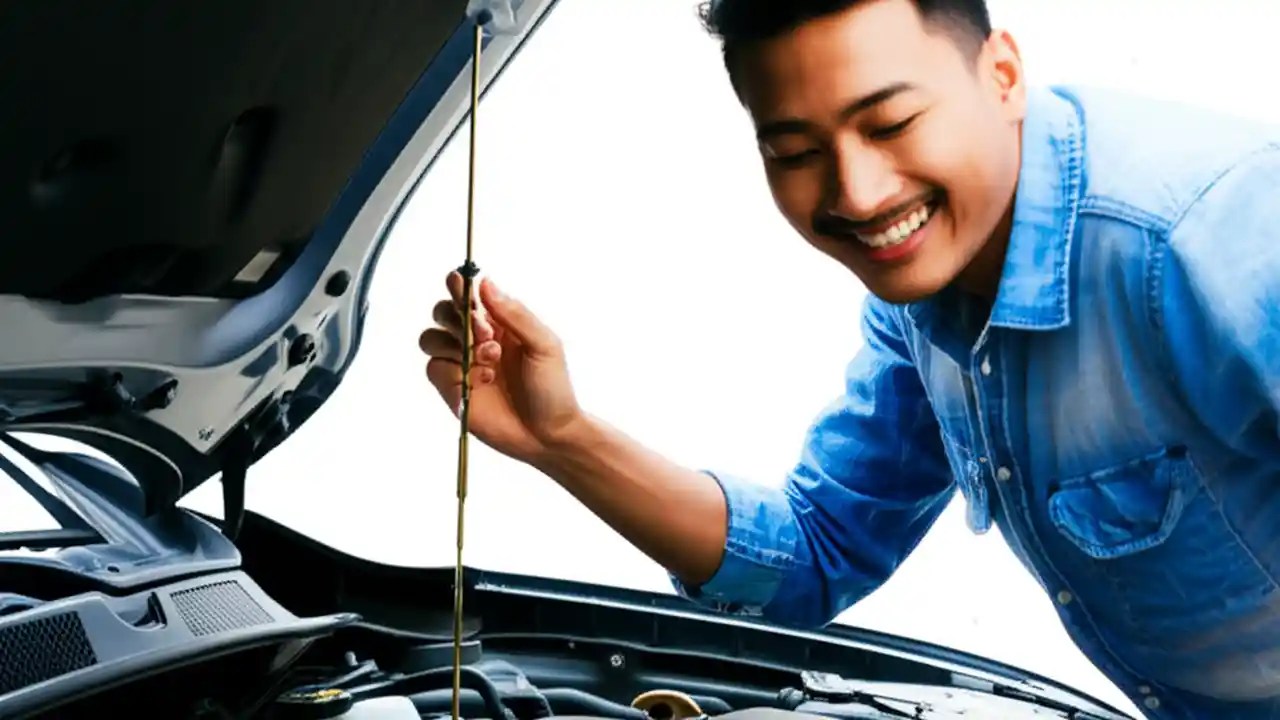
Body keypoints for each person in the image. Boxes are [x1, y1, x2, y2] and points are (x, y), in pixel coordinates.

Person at [417, 0, 1280, 717]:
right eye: (795, 153)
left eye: (892, 123)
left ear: (1003, 75)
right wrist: (562, 438)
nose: (858, 195)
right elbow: (815, 553)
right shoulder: (928, 299)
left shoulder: (1212, 239)